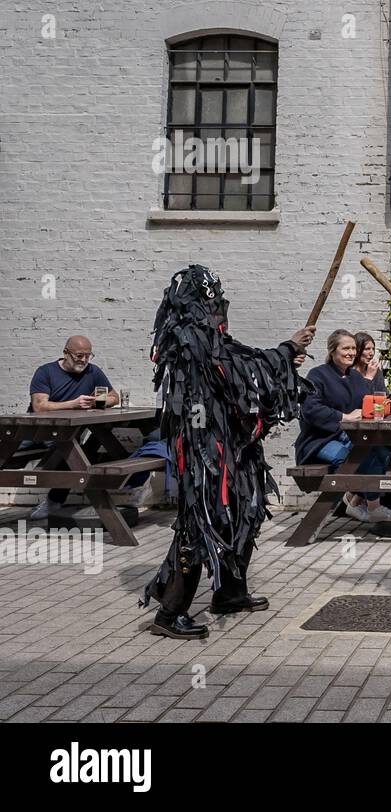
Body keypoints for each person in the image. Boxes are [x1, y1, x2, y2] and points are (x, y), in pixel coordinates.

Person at [141, 265, 314, 640]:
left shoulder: (211, 337)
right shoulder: (188, 338)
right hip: (206, 449)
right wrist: (284, 352)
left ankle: (230, 593)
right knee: (203, 520)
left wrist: (284, 355)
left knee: (245, 510)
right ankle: (170, 613)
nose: (220, 304)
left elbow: (239, 359)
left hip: (233, 443)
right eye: (214, 298)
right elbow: (228, 368)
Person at [26, 336, 143, 520]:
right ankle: (54, 502)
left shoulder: (92, 372)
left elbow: (114, 397)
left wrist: (98, 401)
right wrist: (73, 404)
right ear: (66, 353)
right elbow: (39, 406)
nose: (84, 360)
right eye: (79, 355)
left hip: (67, 435)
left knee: (78, 450)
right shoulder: (46, 372)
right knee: (74, 451)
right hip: (38, 433)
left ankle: (55, 502)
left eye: (88, 356)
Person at [294, 329, 391, 523]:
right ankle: (369, 507)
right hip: (320, 440)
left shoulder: (354, 376)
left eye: (353, 348)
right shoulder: (318, 374)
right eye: (346, 348)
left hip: (349, 437)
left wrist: (371, 381)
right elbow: (310, 409)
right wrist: (344, 416)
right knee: (351, 459)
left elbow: (370, 400)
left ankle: (355, 501)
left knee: (381, 452)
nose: (351, 352)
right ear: (332, 351)